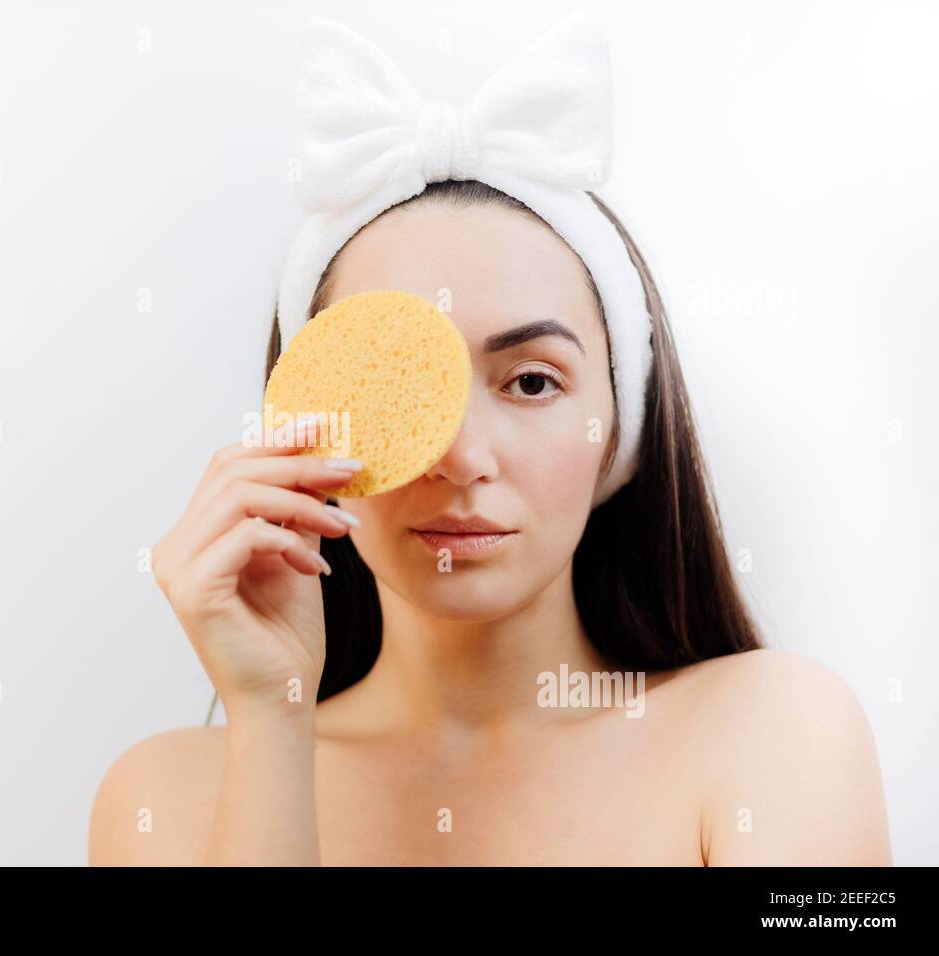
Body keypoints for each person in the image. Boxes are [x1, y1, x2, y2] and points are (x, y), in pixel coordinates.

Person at [88, 18, 892, 867]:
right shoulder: (166, 797)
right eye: (390, 390)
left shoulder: (778, 730)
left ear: (619, 426)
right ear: (305, 425)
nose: (460, 455)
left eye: (533, 382)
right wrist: (273, 722)